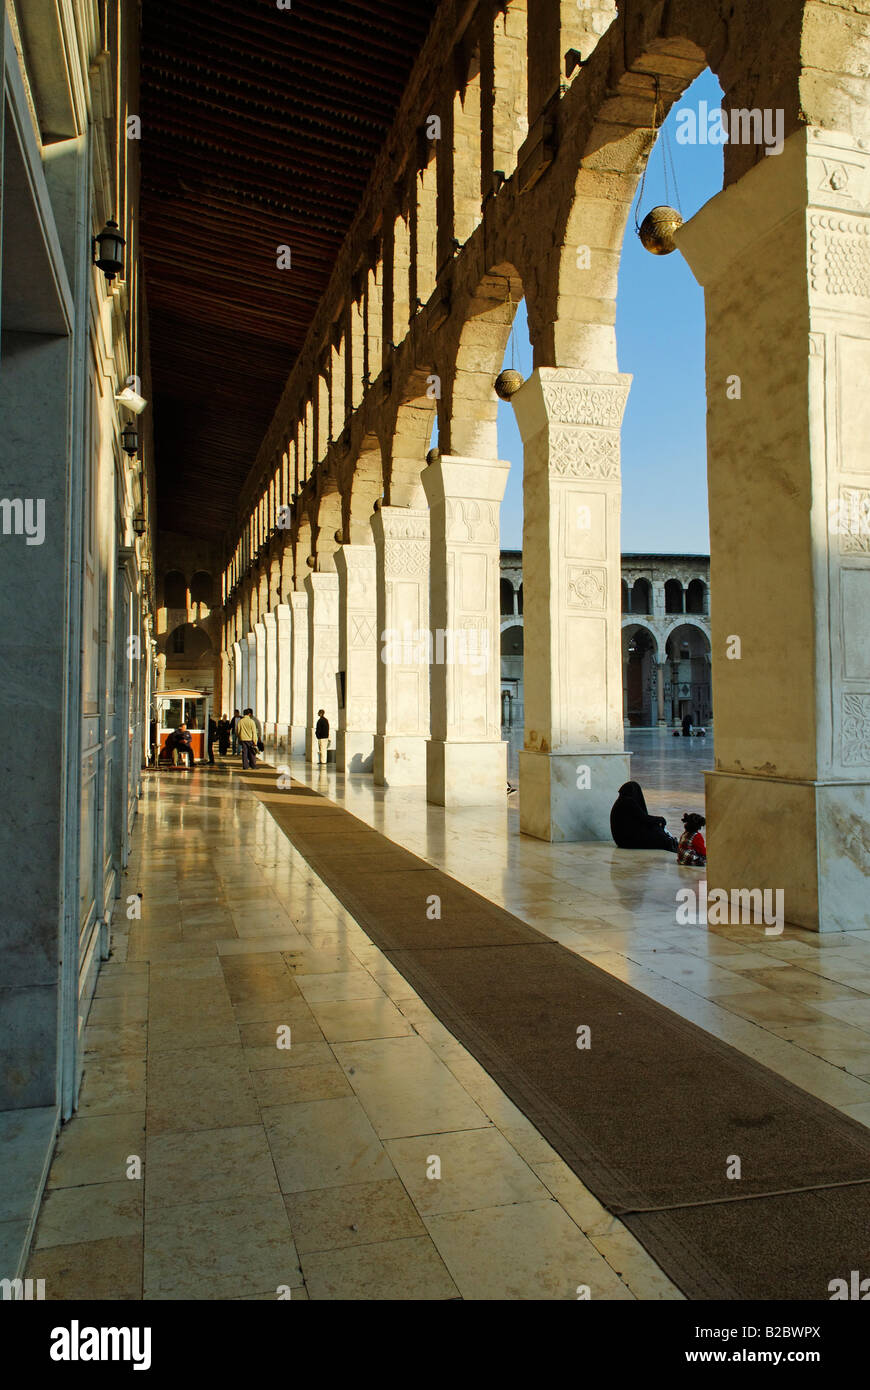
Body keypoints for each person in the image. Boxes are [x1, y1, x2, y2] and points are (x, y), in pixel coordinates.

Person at [610, 781, 677, 852]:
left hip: (621, 840)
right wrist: (660, 819)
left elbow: (640, 818)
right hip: (627, 841)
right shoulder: (628, 802)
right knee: (656, 831)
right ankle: (671, 843)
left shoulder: (620, 801)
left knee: (654, 828)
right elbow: (644, 818)